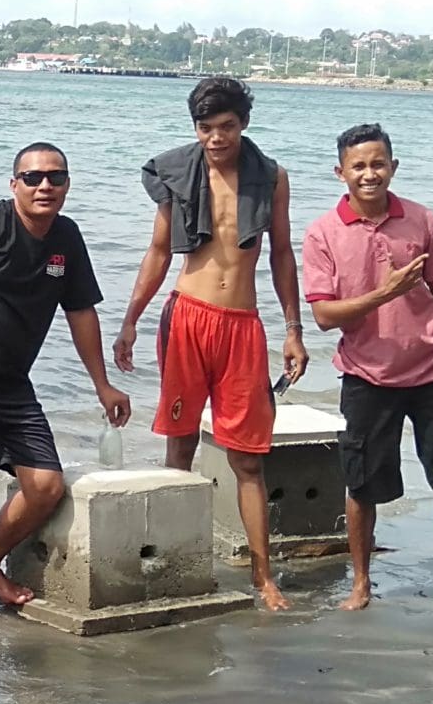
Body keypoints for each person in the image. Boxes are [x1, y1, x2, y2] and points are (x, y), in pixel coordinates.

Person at [113, 76, 308, 610]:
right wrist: (130, 319)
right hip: (187, 317)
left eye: (226, 127)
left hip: (242, 325)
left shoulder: (270, 177)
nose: (216, 138)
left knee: (248, 459)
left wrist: (293, 329)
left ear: (243, 124)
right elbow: (158, 251)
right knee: (179, 444)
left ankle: (263, 577)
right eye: (206, 128)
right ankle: (175, 568)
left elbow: (282, 255)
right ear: (195, 127)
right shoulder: (179, 174)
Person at [0, 143, 132, 608]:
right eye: (32, 178)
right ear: (14, 184)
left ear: (68, 185)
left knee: (46, 486)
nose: (44, 186)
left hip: (12, 384)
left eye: (55, 177)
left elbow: (81, 312)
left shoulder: (67, 239)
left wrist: (103, 384)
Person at [301, 124, 433, 618]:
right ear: (339, 172)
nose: (369, 174)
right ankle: (360, 583)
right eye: (358, 166)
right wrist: (384, 292)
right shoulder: (323, 232)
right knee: (361, 484)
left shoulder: (421, 220)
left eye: (378, 163)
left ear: (393, 167)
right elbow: (323, 316)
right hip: (366, 377)